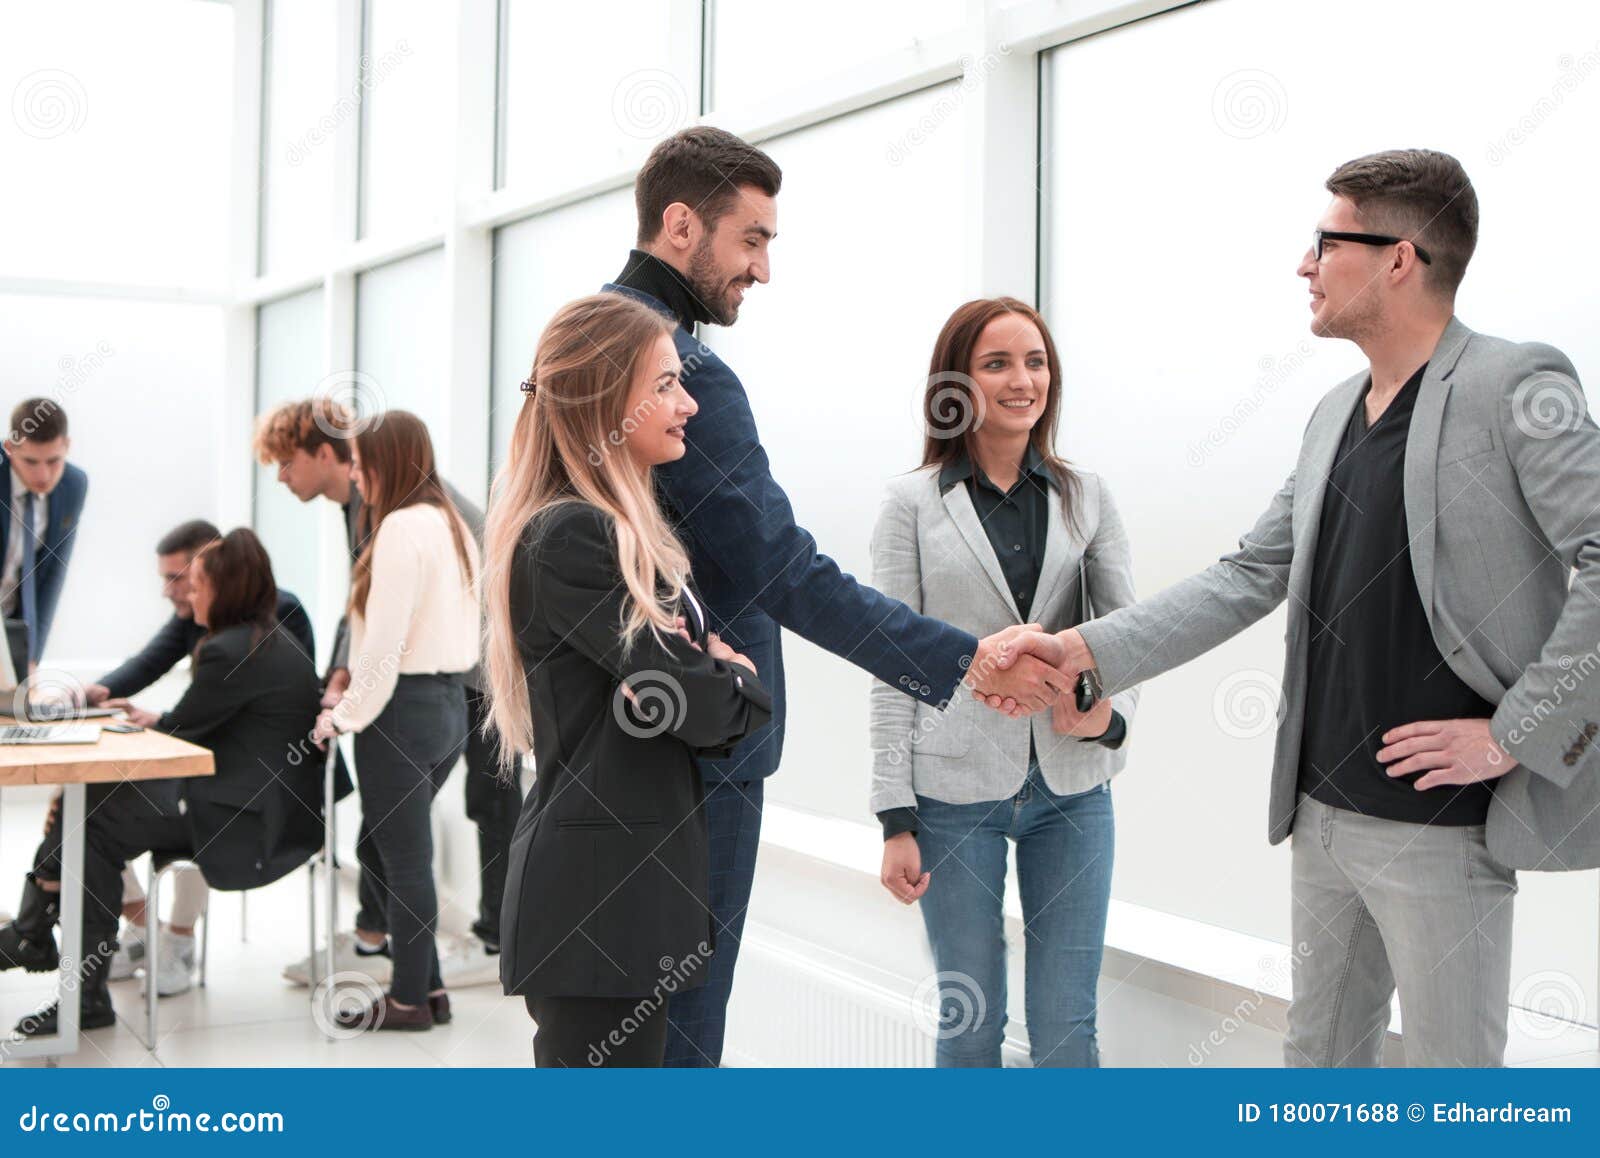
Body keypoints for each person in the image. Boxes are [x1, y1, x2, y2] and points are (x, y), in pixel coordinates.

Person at [994, 149, 1600, 1067]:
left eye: (1326, 241)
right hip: (1321, 817)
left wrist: (1511, 733)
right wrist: (1080, 648)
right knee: (1315, 1070)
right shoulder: (1331, 413)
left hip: (1443, 827)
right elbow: (1248, 573)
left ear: (1399, 258)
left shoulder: (1515, 383)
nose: (1305, 265)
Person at [601, 126, 1067, 1066]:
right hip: (697, 750)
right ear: (682, 226)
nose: (763, 270)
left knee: (624, 1025)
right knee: (682, 1031)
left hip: (616, 740)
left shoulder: (585, 344)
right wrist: (961, 657)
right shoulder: (684, 372)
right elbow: (783, 567)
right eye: (753, 240)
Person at [485, 293, 773, 1066]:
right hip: (597, 908)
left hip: (619, 899)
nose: (688, 404)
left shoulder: (608, 532)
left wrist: (711, 671)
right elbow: (703, 708)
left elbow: (676, 690)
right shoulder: (576, 534)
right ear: (607, 398)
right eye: (667, 384)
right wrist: (735, 679)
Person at [871, 298, 1140, 1067]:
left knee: (1066, 1030)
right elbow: (890, 659)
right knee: (970, 1026)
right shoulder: (910, 504)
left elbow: (1130, 635)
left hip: (1074, 792)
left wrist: (1107, 722)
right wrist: (894, 816)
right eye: (997, 364)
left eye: (1036, 362)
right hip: (954, 800)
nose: (1023, 381)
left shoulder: (1086, 495)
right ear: (957, 383)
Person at [0, 529, 325, 1036]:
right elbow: (187, 711)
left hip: (240, 817)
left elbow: (182, 727)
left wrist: (145, 720)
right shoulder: (262, 638)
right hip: (258, 802)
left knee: (92, 822)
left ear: (224, 588)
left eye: (194, 586)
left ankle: (53, 956)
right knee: (91, 806)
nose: (186, 597)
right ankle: (42, 940)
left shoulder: (231, 648)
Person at [254, 399, 516, 988]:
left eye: (285, 463)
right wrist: (341, 673)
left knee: (487, 803)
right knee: (398, 823)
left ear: (330, 454)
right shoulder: (373, 503)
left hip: (470, 672)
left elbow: (474, 582)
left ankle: (489, 943)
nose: (281, 477)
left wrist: (350, 699)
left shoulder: (407, 505)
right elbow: (367, 599)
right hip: (438, 679)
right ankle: (379, 941)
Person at [78, 518, 315, 997]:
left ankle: (174, 940)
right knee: (86, 798)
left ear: (211, 572)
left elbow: (268, 716)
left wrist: (165, 722)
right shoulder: (204, 617)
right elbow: (154, 661)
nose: (171, 591)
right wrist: (98, 693)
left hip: (251, 787)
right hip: (214, 761)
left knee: (101, 815)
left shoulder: (267, 619)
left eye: (180, 579)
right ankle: (142, 929)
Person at [310, 411, 480, 1031]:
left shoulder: (402, 528)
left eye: (359, 462)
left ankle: (408, 1002)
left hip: (401, 715)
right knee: (398, 854)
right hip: (447, 708)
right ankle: (429, 992)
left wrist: (340, 717)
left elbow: (381, 649)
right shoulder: (450, 523)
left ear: (387, 461)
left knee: (404, 862)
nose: (354, 474)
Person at [1, 397, 87, 664]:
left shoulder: (74, 485)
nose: (43, 475)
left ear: (67, 446)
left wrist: (32, 659)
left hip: (12, 624)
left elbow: (52, 575)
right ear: (9, 448)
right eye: (30, 461)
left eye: (53, 461)